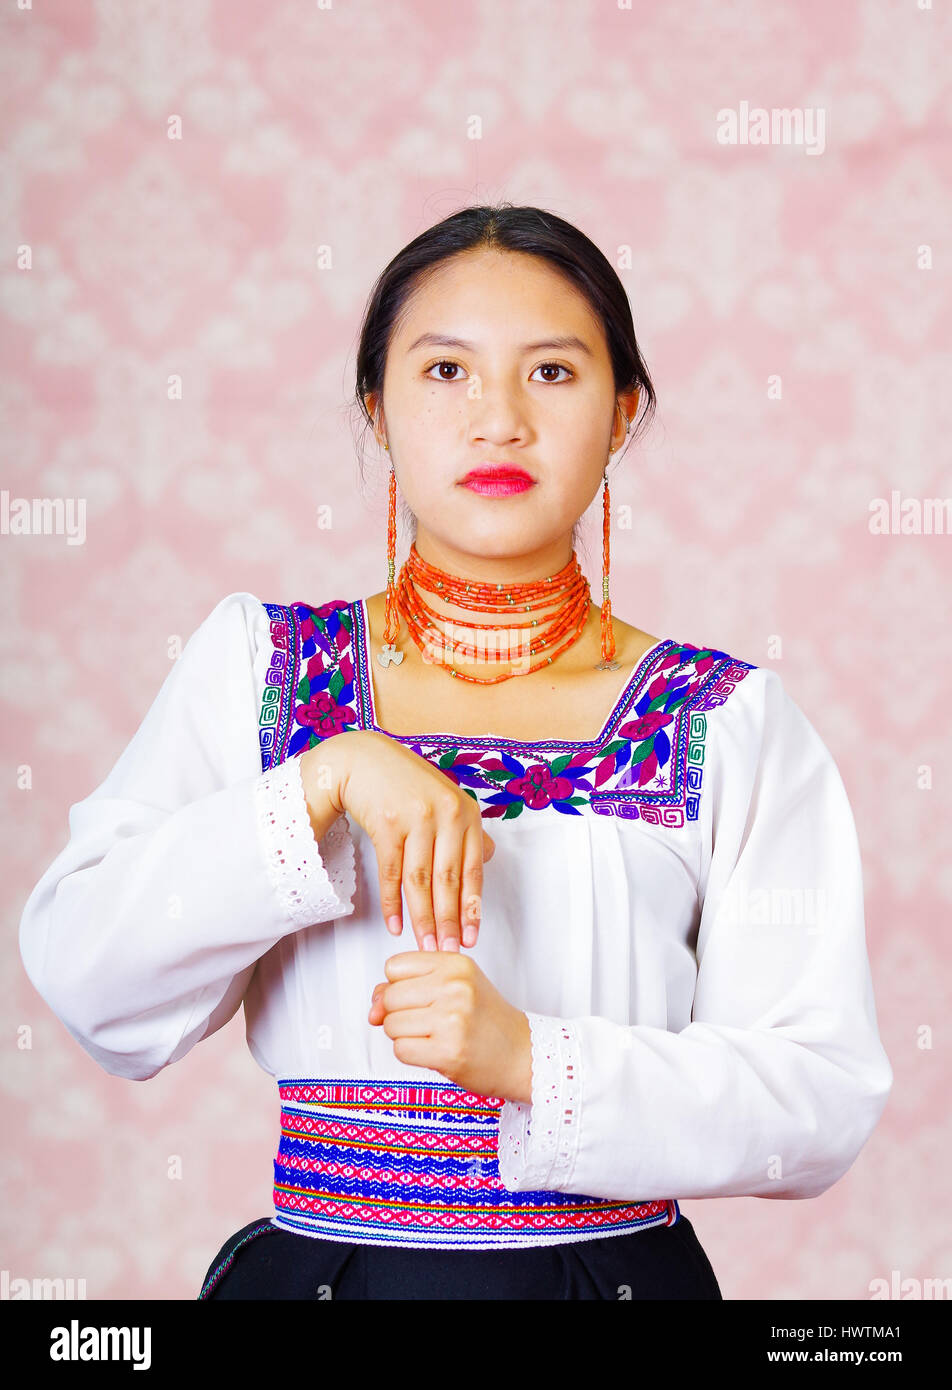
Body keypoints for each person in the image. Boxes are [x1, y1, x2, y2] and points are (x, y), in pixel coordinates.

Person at [18, 204, 893, 1302]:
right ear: (375, 410)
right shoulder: (262, 669)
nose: (499, 421)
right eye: (444, 372)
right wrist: (320, 781)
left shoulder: (727, 719)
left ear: (624, 412)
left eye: (553, 374)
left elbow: (817, 1099)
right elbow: (91, 981)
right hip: (323, 1280)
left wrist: (534, 1063)